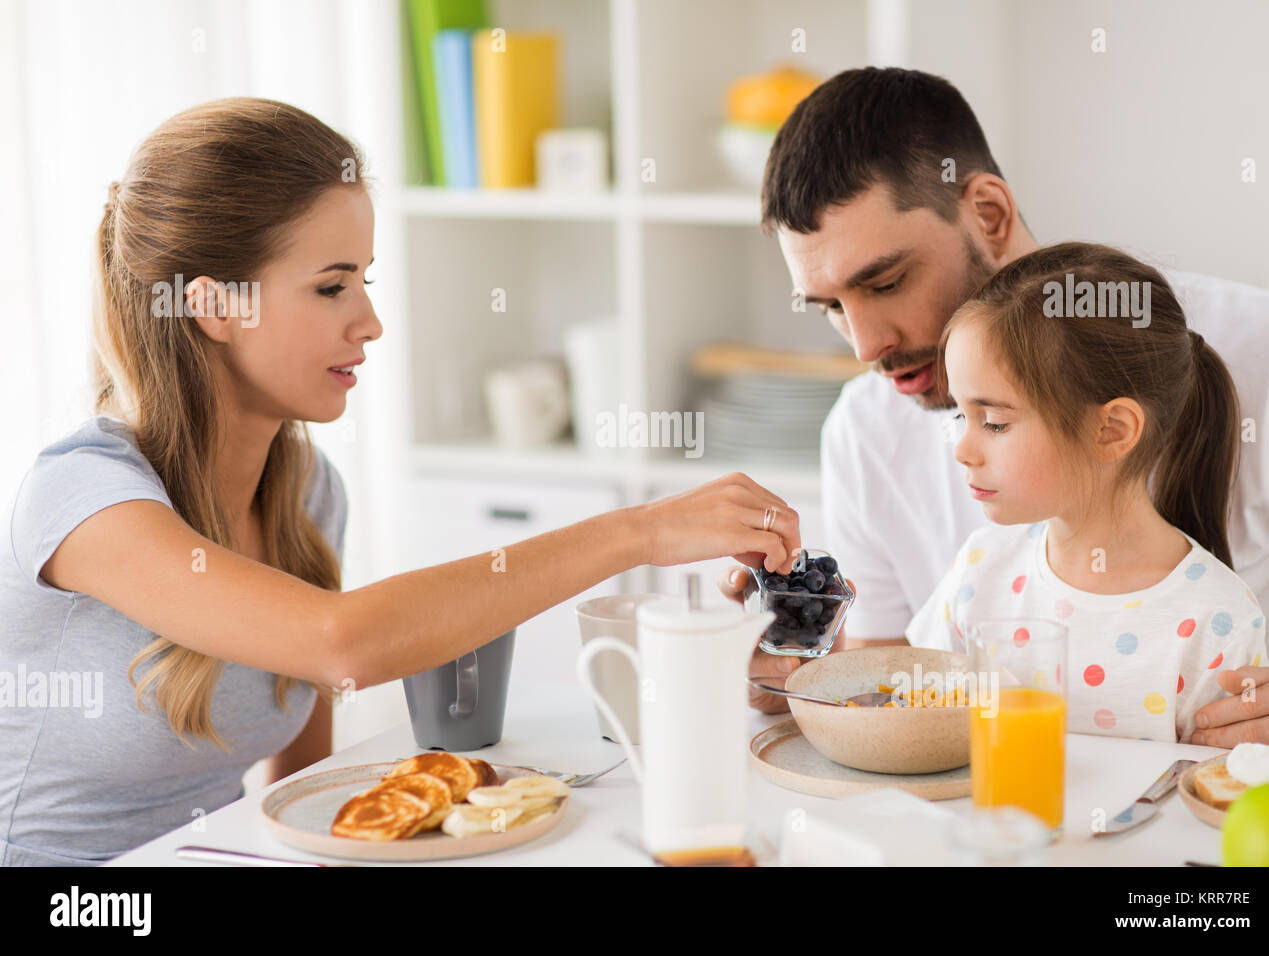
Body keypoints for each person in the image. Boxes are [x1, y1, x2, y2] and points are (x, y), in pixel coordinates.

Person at [0, 97, 802, 867]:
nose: (370, 322)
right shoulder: (84, 497)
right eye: (330, 286)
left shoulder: (307, 493)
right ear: (214, 306)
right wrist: (640, 530)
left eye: (365, 282)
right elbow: (341, 641)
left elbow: (303, 794)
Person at [726, 67, 1269, 747]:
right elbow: (902, 689)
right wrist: (798, 673)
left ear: (989, 213)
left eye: (885, 282)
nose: (865, 345)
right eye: (830, 308)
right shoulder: (862, 431)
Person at [906, 241, 1266, 743]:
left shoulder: (1216, 621)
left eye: (993, 422)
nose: (962, 449)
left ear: (1112, 431)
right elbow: (918, 719)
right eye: (960, 416)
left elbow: (1218, 793)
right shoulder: (979, 571)